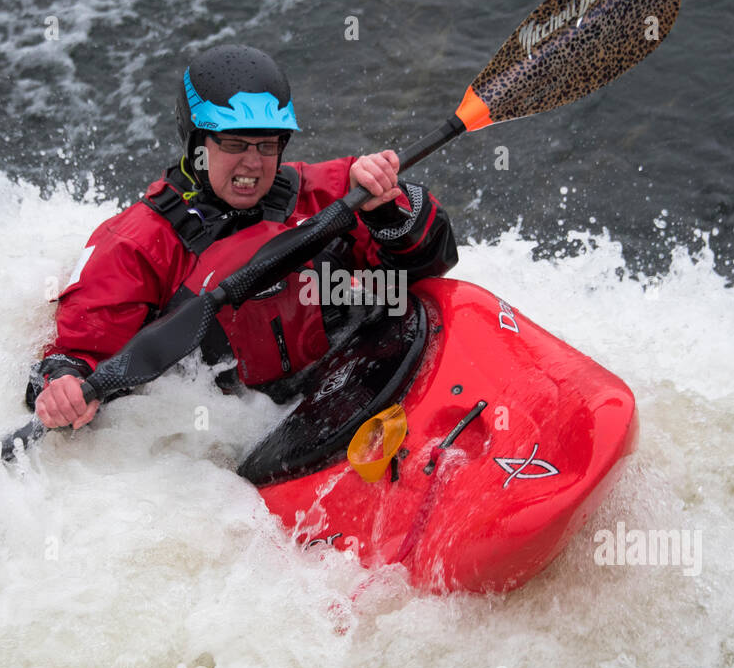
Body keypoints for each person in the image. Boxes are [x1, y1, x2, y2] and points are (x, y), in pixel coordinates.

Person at [26, 44, 458, 429]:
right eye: (234, 144)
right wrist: (62, 386)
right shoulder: (136, 244)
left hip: (347, 382)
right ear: (198, 143)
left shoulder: (328, 190)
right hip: (237, 431)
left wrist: (385, 209)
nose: (253, 164)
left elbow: (429, 263)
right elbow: (70, 356)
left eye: (267, 145)